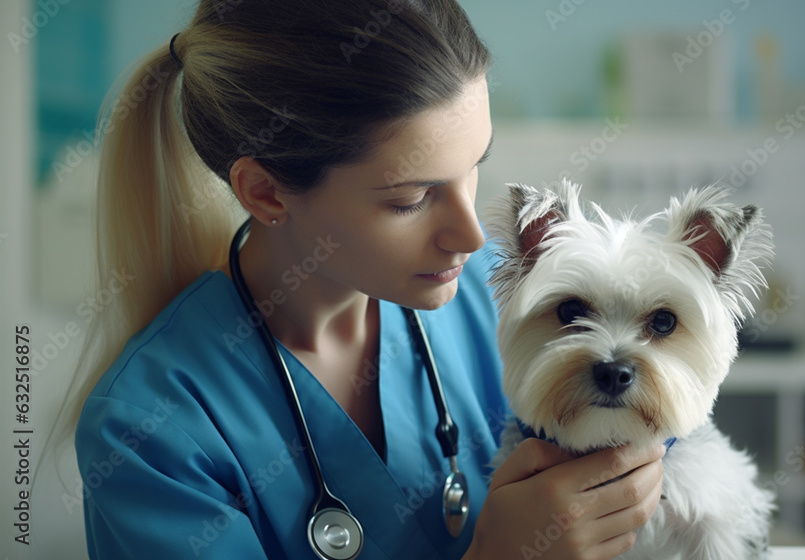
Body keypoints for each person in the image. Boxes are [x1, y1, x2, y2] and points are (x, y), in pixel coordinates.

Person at [65, 1, 666, 558]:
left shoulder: (508, 299)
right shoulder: (147, 433)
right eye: (409, 199)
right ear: (266, 191)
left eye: (472, 168)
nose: (471, 236)